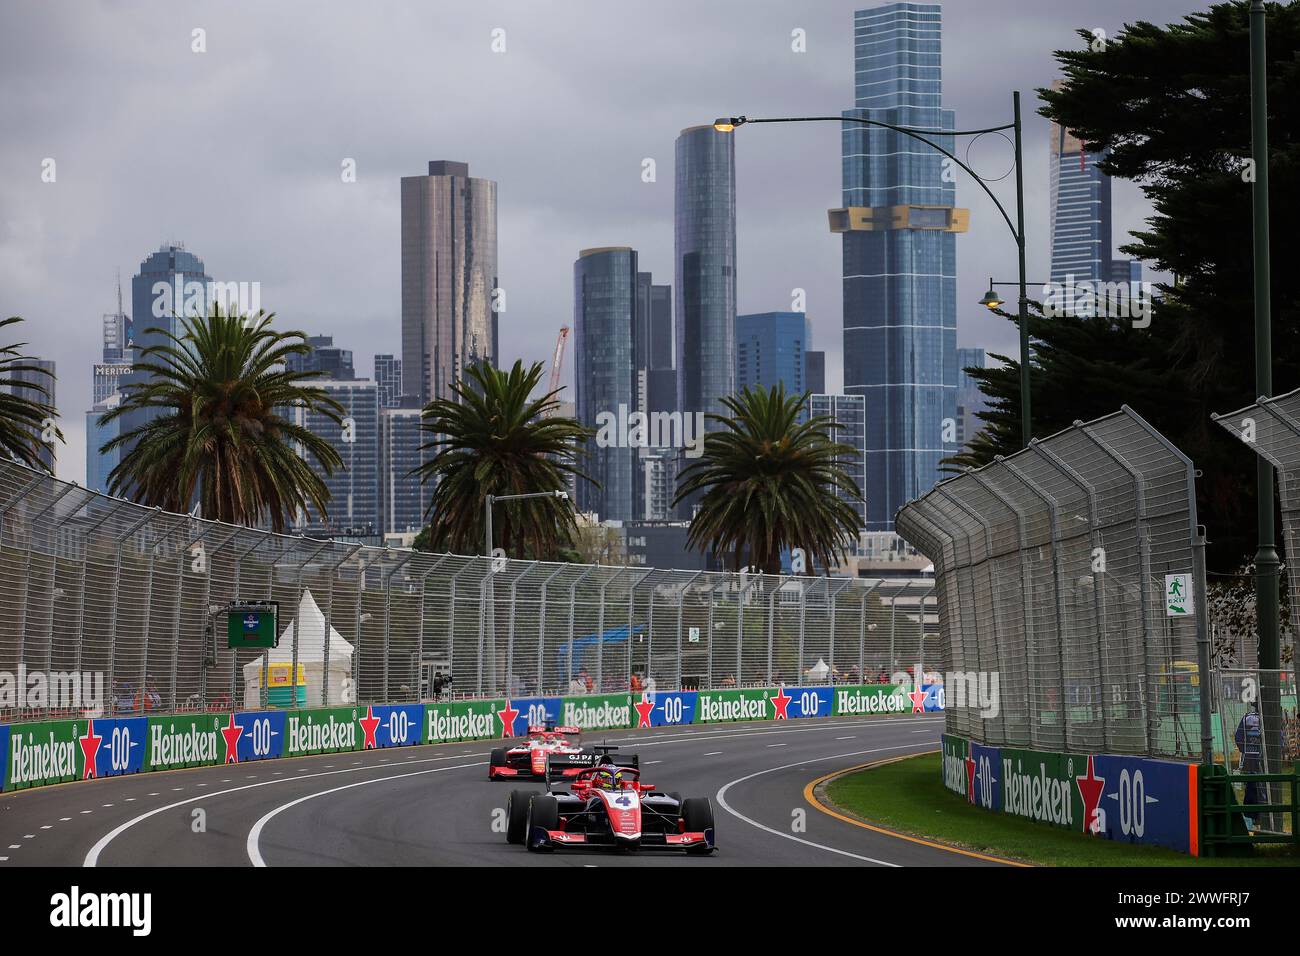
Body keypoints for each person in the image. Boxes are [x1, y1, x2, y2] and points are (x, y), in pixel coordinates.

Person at [1234, 704, 1264, 830]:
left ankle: (1250, 816)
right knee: (1264, 786)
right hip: (1262, 756)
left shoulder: (1246, 717)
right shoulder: (1265, 717)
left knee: (1250, 785)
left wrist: (1245, 750)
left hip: (1249, 757)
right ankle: (1261, 815)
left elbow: (1238, 737)